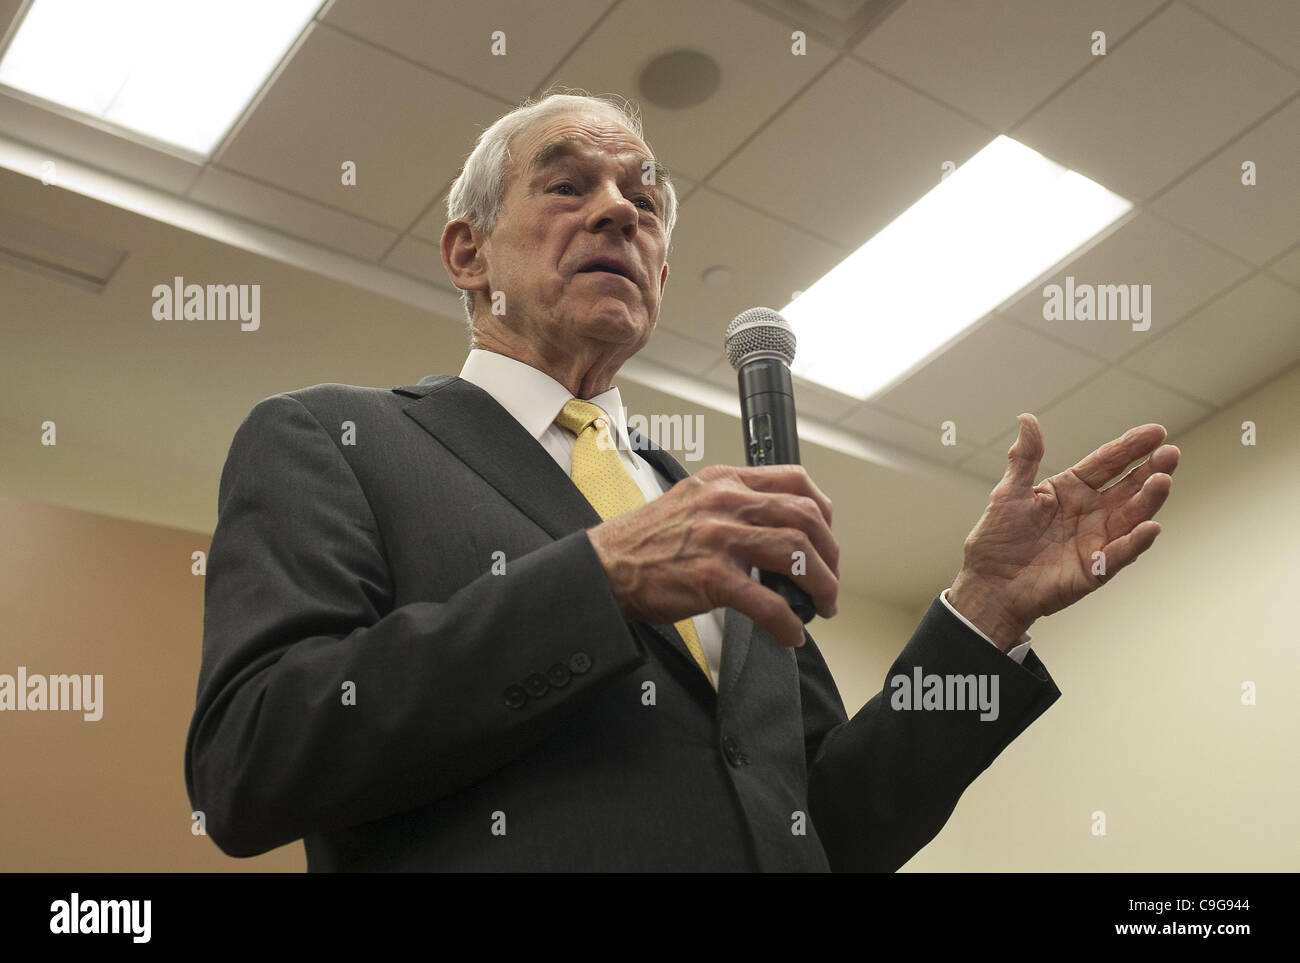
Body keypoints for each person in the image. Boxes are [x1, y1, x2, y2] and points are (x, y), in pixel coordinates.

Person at [184, 91, 1179, 871]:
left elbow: (821, 827)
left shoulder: (716, 521)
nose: (619, 209)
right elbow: (249, 763)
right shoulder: (335, 439)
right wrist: (599, 581)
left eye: (644, 200)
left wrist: (983, 617)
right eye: (568, 185)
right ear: (467, 251)